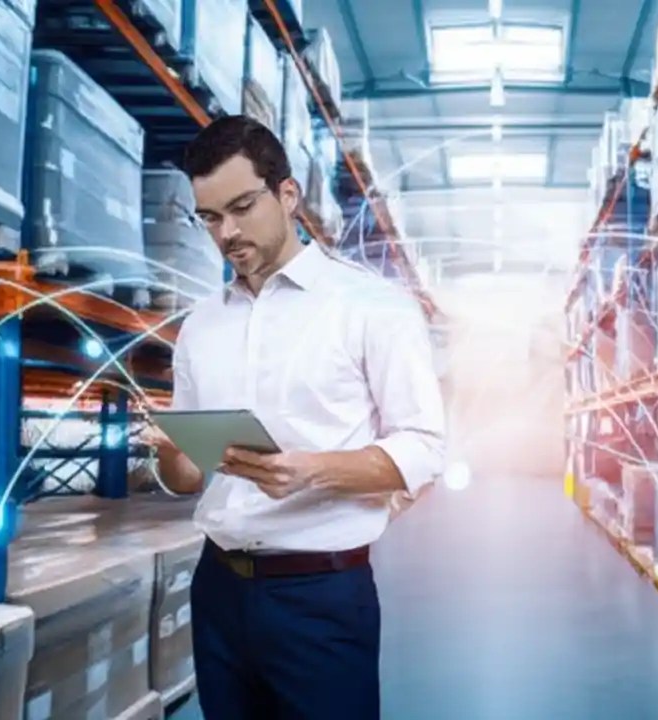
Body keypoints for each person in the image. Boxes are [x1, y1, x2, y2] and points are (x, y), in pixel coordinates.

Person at [144, 115, 447, 719]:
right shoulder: (201, 325)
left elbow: (424, 448)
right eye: (210, 218)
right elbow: (188, 480)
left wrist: (312, 471)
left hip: (321, 596)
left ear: (287, 194)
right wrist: (171, 448)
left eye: (242, 207)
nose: (228, 233)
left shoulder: (372, 307)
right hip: (218, 587)